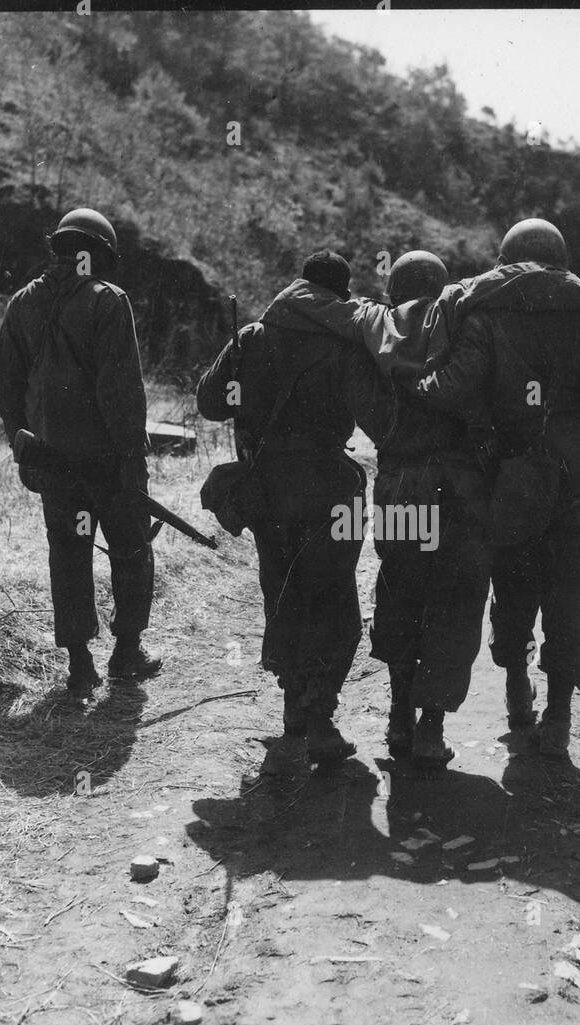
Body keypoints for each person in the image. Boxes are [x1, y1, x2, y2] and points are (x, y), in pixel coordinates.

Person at [406, 219, 580, 758]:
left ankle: (516, 685)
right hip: (578, 475)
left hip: (511, 474)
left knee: (513, 584)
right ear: (559, 255)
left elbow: (453, 386)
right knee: (569, 592)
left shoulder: (485, 308)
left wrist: (413, 384)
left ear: (507, 258)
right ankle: (558, 717)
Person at [196, 251, 385, 766]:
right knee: (333, 599)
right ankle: (320, 717)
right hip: (330, 491)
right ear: (339, 296)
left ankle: (293, 709)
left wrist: (239, 370)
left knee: (282, 593)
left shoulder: (254, 336)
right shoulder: (346, 341)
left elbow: (212, 403)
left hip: (269, 489)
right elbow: (378, 420)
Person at [0, 207, 161, 695]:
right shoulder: (107, 301)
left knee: (68, 555)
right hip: (107, 462)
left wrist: (24, 445)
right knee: (132, 550)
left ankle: (79, 666)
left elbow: (7, 390)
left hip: (52, 463)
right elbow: (121, 390)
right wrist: (132, 458)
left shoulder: (21, 303)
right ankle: (127, 653)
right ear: (100, 255)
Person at [352, 252, 491, 775]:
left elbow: (364, 407)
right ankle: (431, 727)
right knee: (454, 602)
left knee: (402, 590)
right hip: (461, 491)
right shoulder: (467, 327)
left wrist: (396, 434)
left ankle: (397, 715)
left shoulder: (376, 336)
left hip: (403, 488)